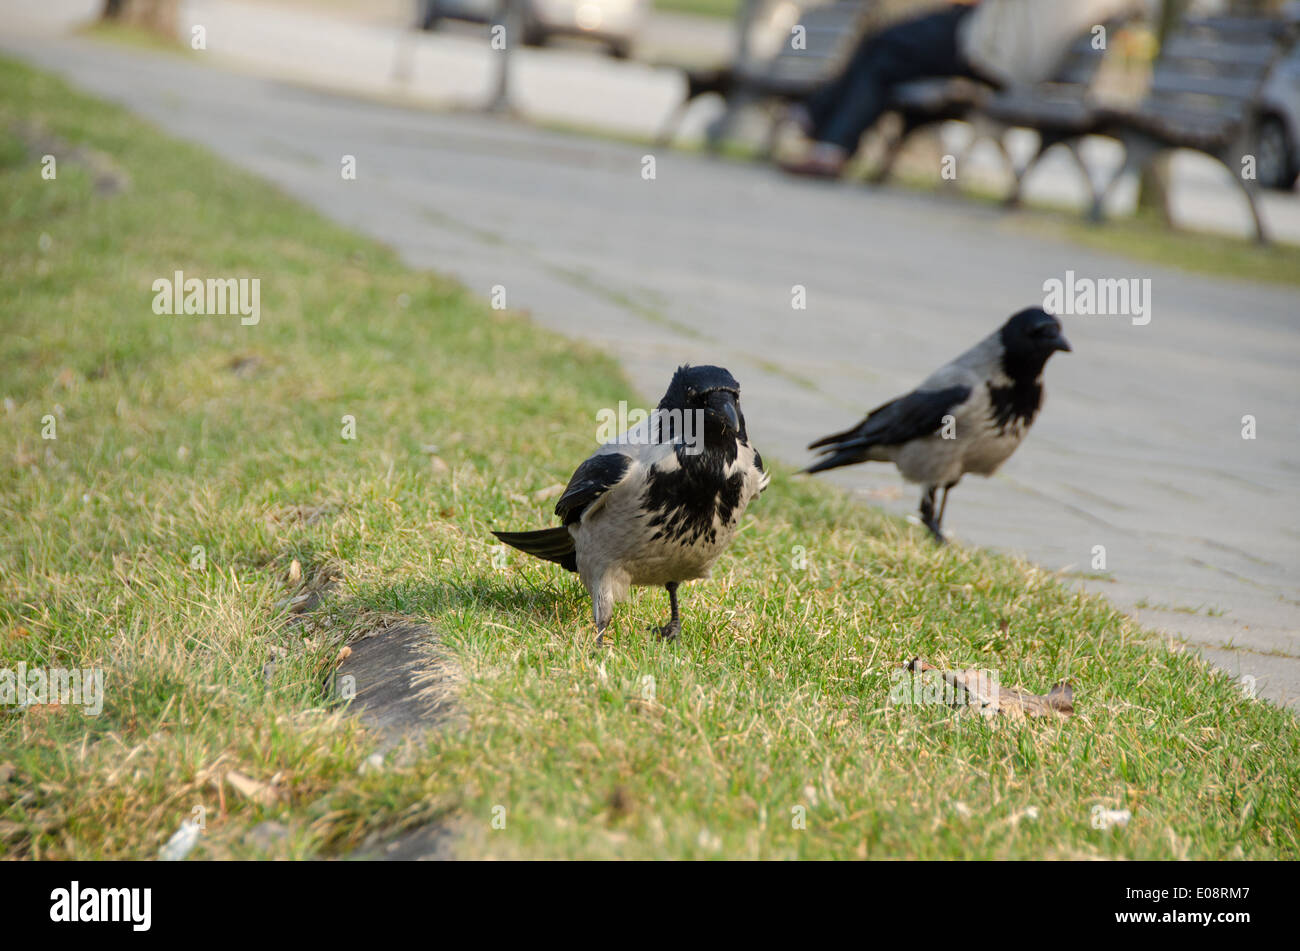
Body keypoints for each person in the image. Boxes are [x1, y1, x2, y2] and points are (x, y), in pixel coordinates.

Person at [780, 0, 1143, 178]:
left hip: (991, 49)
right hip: (1010, 49)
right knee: (888, 52)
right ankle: (823, 130)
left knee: (887, 46)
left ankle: (819, 123)